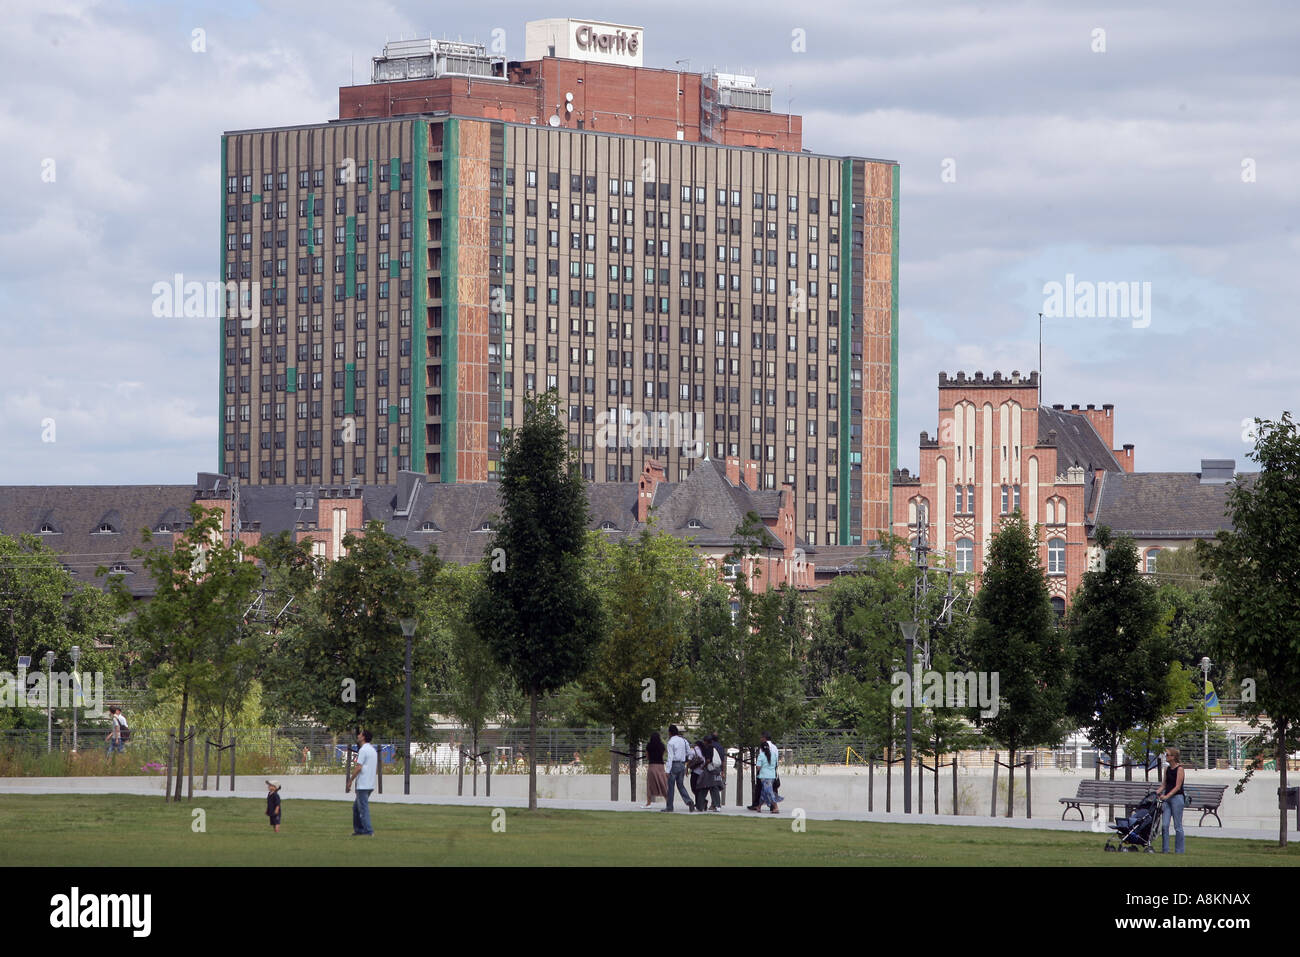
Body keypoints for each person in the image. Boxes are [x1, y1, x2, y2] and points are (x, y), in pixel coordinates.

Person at [347, 729, 377, 836]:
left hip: (363, 784)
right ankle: (359, 830)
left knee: (363, 809)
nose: (358, 736)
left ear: (363, 737)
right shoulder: (372, 750)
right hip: (370, 784)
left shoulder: (363, 750)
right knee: (356, 808)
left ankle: (368, 831)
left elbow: (358, 767)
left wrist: (350, 780)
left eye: (360, 734)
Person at [1156, 746, 1186, 854]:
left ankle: (1179, 851)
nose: (1166, 756)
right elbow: (1164, 784)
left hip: (1177, 798)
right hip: (1167, 799)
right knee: (1165, 825)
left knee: (1178, 826)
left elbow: (1178, 787)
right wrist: (1157, 792)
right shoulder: (1167, 769)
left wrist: (1167, 796)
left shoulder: (1180, 769)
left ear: (1173, 757)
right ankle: (1165, 850)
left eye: (1167, 755)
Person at [663, 724, 695, 812]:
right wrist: (687, 761)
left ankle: (669, 807)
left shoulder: (670, 742)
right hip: (682, 765)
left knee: (671, 787)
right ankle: (689, 801)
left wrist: (667, 770)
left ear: (670, 733)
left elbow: (670, 757)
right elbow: (690, 753)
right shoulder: (684, 741)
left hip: (674, 765)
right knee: (680, 785)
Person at [756, 732, 783, 814]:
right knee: (764, 791)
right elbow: (776, 764)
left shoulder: (761, 755)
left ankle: (775, 806)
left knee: (768, 792)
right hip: (772, 775)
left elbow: (758, 767)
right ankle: (759, 806)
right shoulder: (774, 753)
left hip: (764, 776)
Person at [644, 731, 668, 808]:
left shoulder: (649, 745)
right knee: (662, 783)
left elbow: (647, 756)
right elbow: (663, 754)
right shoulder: (662, 745)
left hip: (652, 765)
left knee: (650, 784)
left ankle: (648, 803)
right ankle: (668, 801)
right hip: (661, 766)